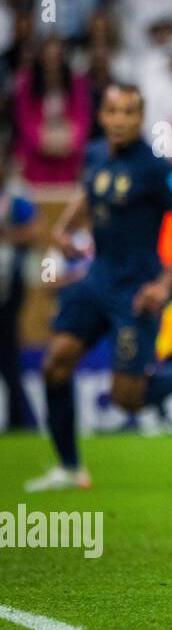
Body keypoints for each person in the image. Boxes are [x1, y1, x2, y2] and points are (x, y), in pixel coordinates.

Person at [25, 84, 172, 492]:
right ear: (102, 116)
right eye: (113, 111)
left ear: (140, 117)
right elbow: (89, 192)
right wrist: (64, 228)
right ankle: (70, 468)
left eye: (129, 112)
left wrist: (168, 282)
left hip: (138, 290)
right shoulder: (94, 155)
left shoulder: (155, 168)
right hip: (96, 280)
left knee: (128, 398)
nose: (120, 119)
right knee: (54, 364)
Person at [0, 155, 39, 431]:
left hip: (8, 285)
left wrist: (7, 236)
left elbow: (35, 231)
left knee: (9, 356)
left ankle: (19, 421)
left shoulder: (16, 196)